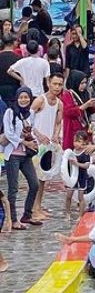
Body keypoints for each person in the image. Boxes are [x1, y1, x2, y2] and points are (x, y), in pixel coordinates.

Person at [3, 86, 42, 226]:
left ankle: (27, 214)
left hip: (25, 154)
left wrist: (31, 140)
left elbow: (32, 129)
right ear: (17, 98)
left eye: (26, 97)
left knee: (34, 184)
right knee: (13, 188)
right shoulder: (10, 112)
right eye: (21, 97)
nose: (24, 100)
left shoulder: (30, 114)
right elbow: (9, 133)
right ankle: (13, 219)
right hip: (13, 154)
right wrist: (23, 141)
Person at [30, 71, 64, 220]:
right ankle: (33, 208)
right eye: (55, 84)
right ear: (49, 83)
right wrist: (37, 134)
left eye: (60, 85)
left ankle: (38, 206)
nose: (57, 87)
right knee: (35, 179)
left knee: (43, 178)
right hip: (36, 145)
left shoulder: (59, 103)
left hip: (48, 146)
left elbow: (58, 123)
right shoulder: (39, 100)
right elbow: (28, 121)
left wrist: (56, 134)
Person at [61, 70, 95, 151]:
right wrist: (85, 106)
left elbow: (90, 111)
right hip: (72, 128)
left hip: (85, 127)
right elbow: (68, 112)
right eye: (81, 83)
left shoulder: (86, 93)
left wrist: (94, 105)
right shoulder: (67, 94)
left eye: (85, 83)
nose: (84, 86)